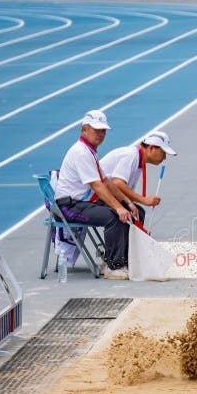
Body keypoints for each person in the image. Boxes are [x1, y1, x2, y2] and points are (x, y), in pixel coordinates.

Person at [54, 110, 133, 280]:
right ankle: (114, 265)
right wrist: (118, 207)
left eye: (103, 130)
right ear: (84, 130)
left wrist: (126, 202)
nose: (100, 134)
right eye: (96, 129)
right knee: (114, 216)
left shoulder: (89, 151)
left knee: (130, 210)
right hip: (68, 207)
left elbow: (105, 181)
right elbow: (96, 185)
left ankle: (122, 258)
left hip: (81, 203)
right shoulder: (81, 152)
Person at [99, 131, 177, 220]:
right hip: (96, 196)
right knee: (127, 216)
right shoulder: (131, 155)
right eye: (163, 153)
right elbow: (118, 183)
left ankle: (132, 234)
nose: (164, 157)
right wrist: (144, 200)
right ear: (152, 148)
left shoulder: (138, 158)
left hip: (105, 195)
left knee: (138, 213)